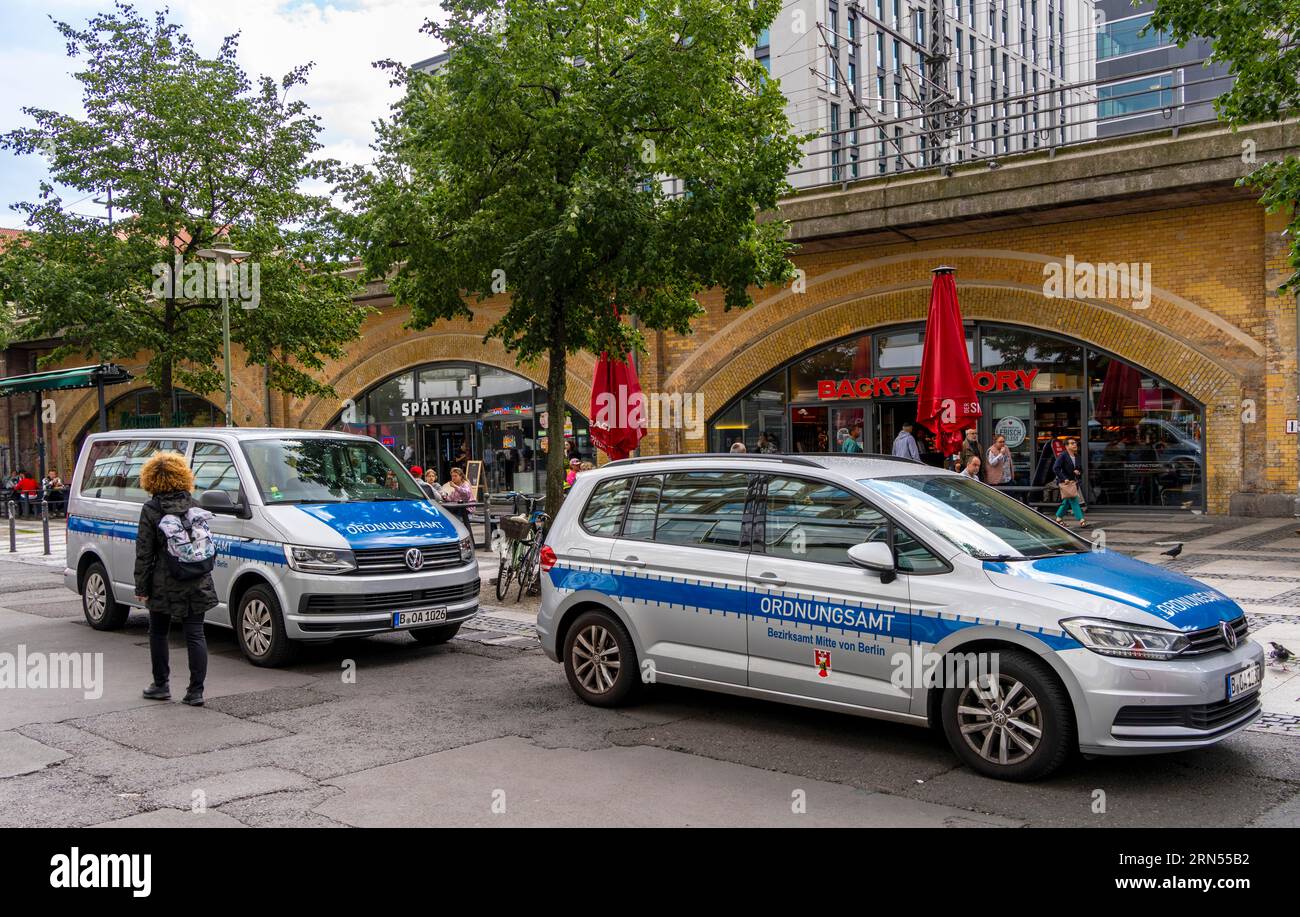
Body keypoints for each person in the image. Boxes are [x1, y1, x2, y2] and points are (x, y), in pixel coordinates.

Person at [133, 451, 217, 707]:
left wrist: (142, 586)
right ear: (183, 476)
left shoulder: (151, 509)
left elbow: (144, 552)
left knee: (158, 632)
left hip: (164, 582)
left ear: (150, 480)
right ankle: (196, 691)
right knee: (195, 633)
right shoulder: (194, 504)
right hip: (197, 578)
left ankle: (161, 685)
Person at [1053, 438, 1087, 528]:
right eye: (1072, 443)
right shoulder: (1063, 456)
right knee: (1074, 499)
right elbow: (1055, 468)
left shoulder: (1077, 456)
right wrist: (1064, 478)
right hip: (1066, 483)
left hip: (1074, 483)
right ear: (1067, 446)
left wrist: (1078, 471)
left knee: (1067, 501)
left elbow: (1080, 469)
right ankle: (1081, 519)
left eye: (1075, 443)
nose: (1075, 445)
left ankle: (1059, 518)